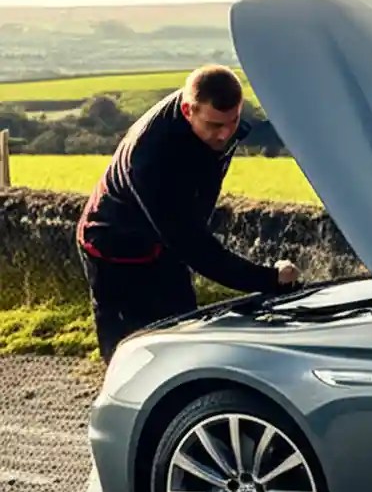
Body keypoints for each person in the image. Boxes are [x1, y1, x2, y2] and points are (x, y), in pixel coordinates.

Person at [76, 64, 301, 361]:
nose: (223, 135)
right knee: (133, 354)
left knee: (183, 338)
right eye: (214, 126)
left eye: (232, 122)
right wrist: (270, 280)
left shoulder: (212, 122)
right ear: (187, 110)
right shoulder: (150, 158)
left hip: (161, 245)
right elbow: (194, 247)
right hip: (113, 248)